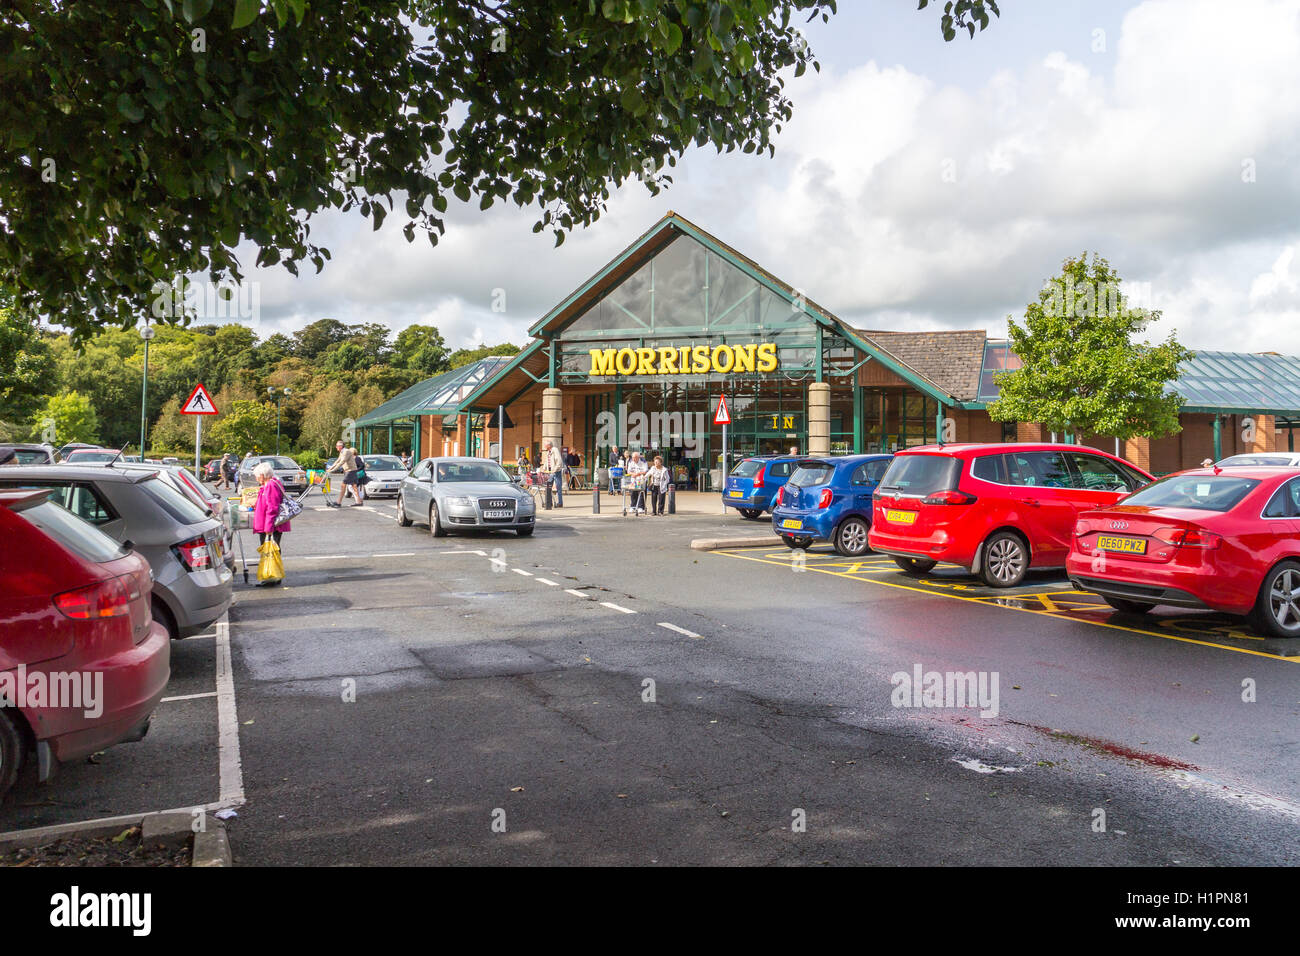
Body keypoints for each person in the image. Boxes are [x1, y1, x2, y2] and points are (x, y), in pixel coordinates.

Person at [251, 460, 291, 585]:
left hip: (271, 525)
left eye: (257, 476)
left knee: (270, 551)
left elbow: (272, 507)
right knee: (273, 550)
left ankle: (271, 576)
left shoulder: (270, 485)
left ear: (262, 475)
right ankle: (274, 575)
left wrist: (268, 527)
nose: (256, 478)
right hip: (271, 524)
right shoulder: (271, 484)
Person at [325, 441, 364, 507]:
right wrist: (330, 468)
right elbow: (337, 460)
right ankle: (359, 502)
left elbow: (342, 462)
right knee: (354, 486)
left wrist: (333, 470)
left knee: (343, 485)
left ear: (340, 446)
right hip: (350, 470)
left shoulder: (346, 452)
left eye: (337, 446)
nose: (336, 447)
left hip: (350, 470)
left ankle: (339, 502)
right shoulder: (342, 452)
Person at [539, 440, 564, 507]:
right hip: (550, 472)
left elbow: (559, 461)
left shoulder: (555, 450)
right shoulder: (548, 452)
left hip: (556, 471)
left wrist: (555, 469)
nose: (544, 446)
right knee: (548, 487)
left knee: (558, 488)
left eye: (545, 445)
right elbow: (547, 462)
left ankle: (560, 503)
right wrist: (544, 468)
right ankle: (549, 502)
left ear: (549, 445)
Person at [625, 450, 648, 514]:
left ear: (638, 457)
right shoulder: (630, 461)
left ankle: (641, 507)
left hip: (642, 480)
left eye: (634, 457)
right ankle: (633, 506)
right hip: (633, 480)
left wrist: (637, 474)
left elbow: (645, 471)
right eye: (632, 457)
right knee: (633, 493)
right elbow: (628, 471)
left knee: (641, 493)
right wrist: (633, 474)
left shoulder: (643, 461)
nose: (633, 459)